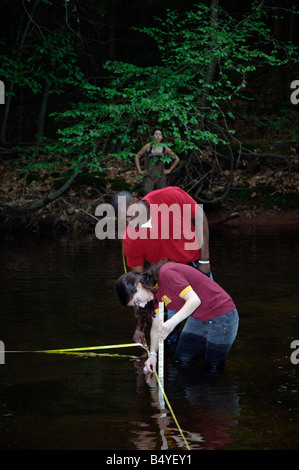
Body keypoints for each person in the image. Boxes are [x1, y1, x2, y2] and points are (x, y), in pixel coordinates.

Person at [111, 186, 211, 346]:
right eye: (123, 220)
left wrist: (204, 261)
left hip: (196, 265)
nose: (129, 222)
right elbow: (139, 284)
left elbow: (200, 216)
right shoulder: (130, 239)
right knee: (168, 336)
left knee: (208, 319)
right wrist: (140, 327)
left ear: (137, 202)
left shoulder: (168, 196)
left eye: (130, 215)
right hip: (167, 278)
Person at [115, 261, 239, 374]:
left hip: (222, 315)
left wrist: (171, 322)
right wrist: (152, 354)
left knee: (213, 368)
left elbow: (194, 300)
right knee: (182, 359)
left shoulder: (166, 274)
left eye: (137, 301)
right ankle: (191, 394)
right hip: (198, 318)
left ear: (138, 285)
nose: (142, 305)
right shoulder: (153, 293)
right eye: (136, 305)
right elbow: (157, 324)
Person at [135, 129, 180, 195]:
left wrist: (169, 170)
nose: (158, 136)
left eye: (160, 134)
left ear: (162, 137)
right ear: (153, 136)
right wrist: (140, 170)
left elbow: (177, 158)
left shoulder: (164, 148)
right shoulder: (148, 146)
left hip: (161, 175)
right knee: (146, 193)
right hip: (149, 175)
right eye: (156, 134)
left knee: (160, 195)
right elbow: (137, 156)